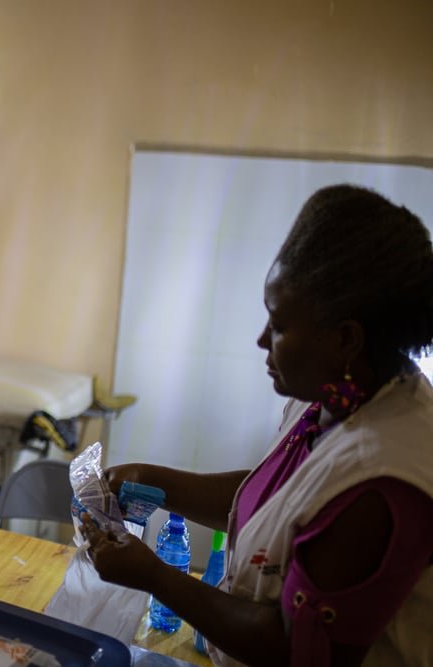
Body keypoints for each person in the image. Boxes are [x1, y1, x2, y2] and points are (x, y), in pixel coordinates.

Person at [84, 184, 433, 666]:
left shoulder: (384, 483)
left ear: (346, 338)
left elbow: (292, 649)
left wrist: (155, 576)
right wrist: (153, 482)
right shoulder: (339, 397)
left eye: (280, 324)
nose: (260, 339)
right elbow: (285, 504)